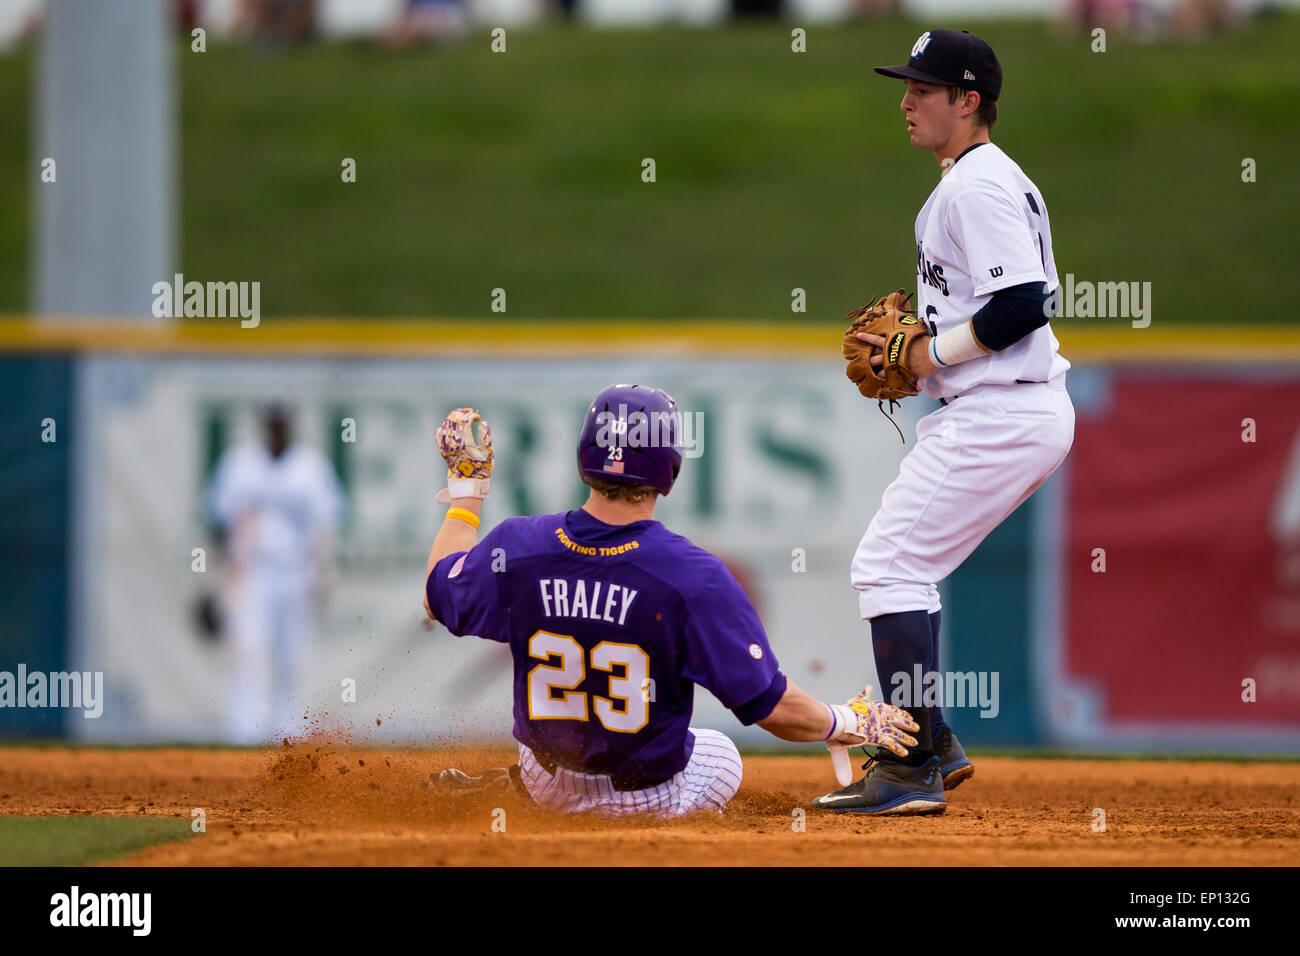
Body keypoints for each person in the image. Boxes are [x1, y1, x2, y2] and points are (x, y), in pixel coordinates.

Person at [422, 385, 919, 818]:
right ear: (670, 466)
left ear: (585, 454)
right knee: (723, 754)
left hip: (545, 780)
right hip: (643, 798)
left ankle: (517, 791)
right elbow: (771, 707)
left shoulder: (521, 544)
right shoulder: (693, 576)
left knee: (548, 758)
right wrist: (847, 720)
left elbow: (436, 595)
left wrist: (468, 488)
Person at [812, 30, 1075, 815]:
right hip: (1005, 407)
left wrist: (928, 355)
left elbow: (1026, 304)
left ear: (969, 102)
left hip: (1004, 407)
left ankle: (910, 762)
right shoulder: (972, 182)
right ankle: (930, 737)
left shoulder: (975, 187)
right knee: (900, 567)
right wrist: (934, 342)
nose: (906, 101)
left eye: (923, 90)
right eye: (907, 87)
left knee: (889, 567)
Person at [206, 403, 343, 744]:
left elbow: (326, 526)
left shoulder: (310, 467)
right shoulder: (240, 465)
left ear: (290, 425)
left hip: (297, 574)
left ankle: (289, 734)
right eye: (272, 422)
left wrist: (323, 573)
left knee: (292, 658)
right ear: (262, 424)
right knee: (249, 652)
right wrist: (214, 579)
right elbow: (218, 521)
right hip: (252, 574)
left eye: (282, 422)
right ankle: (244, 733)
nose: (277, 428)